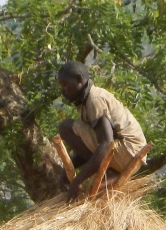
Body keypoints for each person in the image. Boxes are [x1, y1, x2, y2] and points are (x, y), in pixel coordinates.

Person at [56, 61, 148, 202]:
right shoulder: (84, 103)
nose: (63, 91)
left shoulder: (94, 99)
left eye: (65, 85)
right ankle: (109, 172)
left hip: (128, 151)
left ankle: (108, 170)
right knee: (92, 193)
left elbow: (105, 144)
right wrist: (67, 170)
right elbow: (88, 144)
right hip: (128, 155)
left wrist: (77, 180)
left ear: (79, 80)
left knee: (66, 127)